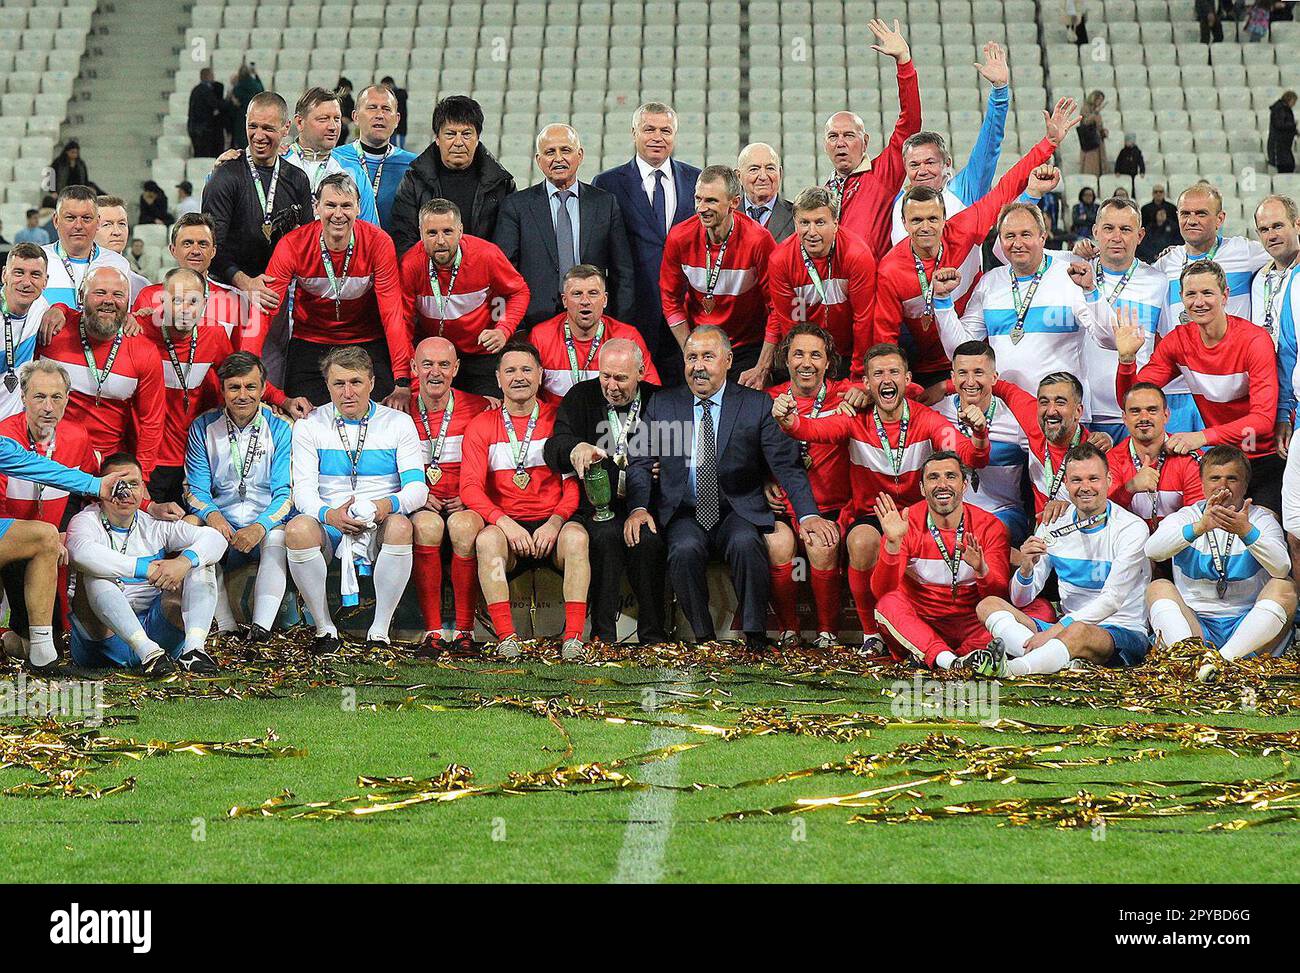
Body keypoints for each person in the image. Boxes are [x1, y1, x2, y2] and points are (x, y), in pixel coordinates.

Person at [627, 326, 836, 653]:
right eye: (691, 357)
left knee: (745, 542)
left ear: (728, 361)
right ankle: (704, 638)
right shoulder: (662, 406)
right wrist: (639, 508)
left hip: (736, 508)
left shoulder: (756, 405)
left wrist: (809, 514)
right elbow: (640, 462)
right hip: (684, 512)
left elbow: (786, 464)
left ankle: (754, 637)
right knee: (682, 549)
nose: (698, 366)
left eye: (708, 357)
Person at [773, 342, 989, 654]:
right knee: (860, 541)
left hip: (919, 516)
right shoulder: (853, 418)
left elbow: (971, 456)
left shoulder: (927, 420)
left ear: (907, 378)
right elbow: (809, 429)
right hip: (872, 514)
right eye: (878, 374)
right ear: (868, 384)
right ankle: (871, 635)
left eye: (893, 372)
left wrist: (979, 435)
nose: (886, 380)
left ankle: (933, 632)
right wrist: (786, 418)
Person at [873, 109, 1071, 395]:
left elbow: (1005, 188)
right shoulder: (890, 268)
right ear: (904, 223)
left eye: (933, 219)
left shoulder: (962, 229)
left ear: (945, 219)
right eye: (916, 220)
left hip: (970, 351)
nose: (925, 227)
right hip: (917, 362)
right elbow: (885, 337)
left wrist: (1048, 144)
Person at [285, 346, 427, 654]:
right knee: (296, 530)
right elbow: (303, 492)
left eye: (356, 382)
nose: (348, 392)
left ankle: (379, 632)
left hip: (380, 517)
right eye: (339, 384)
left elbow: (418, 489)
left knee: (401, 526)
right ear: (327, 386)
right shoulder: (309, 425)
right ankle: (325, 630)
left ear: (372, 383)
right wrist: (329, 514)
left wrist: (383, 507)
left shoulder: (398, 423)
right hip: (331, 521)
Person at [970, 443, 1151, 678]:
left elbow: (1112, 600)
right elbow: (1020, 599)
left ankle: (1015, 668)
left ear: (1108, 479)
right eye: (1076, 480)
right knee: (988, 605)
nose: (1085, 487)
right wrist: (1026, 567)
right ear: (1066, 484)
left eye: (1093, 479)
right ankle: (1054, 659)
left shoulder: (1131, 528)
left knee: (1077, 631)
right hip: (1063, 628)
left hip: (1121, 631)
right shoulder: (1053, 522)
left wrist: (1057, 630)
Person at [1117, 261, 1281, 517]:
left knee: (1274, 539)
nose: (1199, 302)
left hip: (1265, 457)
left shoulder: (1254, 340)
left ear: (1225, 295)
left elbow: (1262, 421)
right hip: (1222, 461)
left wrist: (1202, 437)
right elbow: (1133, 399)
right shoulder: (1179, 340)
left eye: (1207, 293)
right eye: (1191, 294)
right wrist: (1126, 362)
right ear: (1181, 298)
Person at [459, 341, 591, 659]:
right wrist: (504, 523)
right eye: (511, 370)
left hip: (553, 524)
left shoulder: (559, 421)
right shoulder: (481, 425)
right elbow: (470, 488)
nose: (519, 377)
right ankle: (507, 638)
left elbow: (572, 484)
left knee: (577, 537)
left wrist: (556, 522)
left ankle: (573, 639)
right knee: (487, 540)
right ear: (498, 378)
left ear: (541, 374)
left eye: (527, 369)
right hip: (507, 527)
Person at [244, 173, 409, 411]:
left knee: (379, 413)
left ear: (358, 208)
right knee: (305, 416)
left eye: (346, 206)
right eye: (330, 205)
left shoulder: (379, 242)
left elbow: (392, 313)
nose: (338, 214)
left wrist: (402, 380)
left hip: (367, 341)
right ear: (316, 207)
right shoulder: (292, 245)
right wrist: (247, 366)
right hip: (311, 342)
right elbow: (264, 311)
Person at [933, 202, 1116, 409]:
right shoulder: (990, 283)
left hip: (1062, 416)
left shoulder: (1071, 277)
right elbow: (960, 351)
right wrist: (942, 301)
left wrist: (1091, 290)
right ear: (1000, 241)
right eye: (1009, 236)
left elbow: (1109, 339)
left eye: (1026, 235)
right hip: (1006, 415)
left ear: (1043, 237)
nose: (1017, 243)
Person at [544, 338, 666, 645]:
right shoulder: (580, 397)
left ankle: (653, 636)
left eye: (621, 378)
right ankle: (603, 636)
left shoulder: (660, 400)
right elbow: (553, 446)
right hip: (599, 506)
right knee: (605, 536)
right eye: (605, 376)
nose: (611, 385)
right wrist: (575, 448)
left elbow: (685, 452)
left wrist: (668, 466)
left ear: (641, 371)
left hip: (647, 504)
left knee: (646, 539)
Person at [67, 452, 226, 674]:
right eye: (116, 484)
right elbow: (80, 553)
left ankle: (194, 650)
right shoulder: (85, 520)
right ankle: (147, 652)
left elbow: (215, 539)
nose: (125, 492)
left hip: (158, 631)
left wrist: (183, 562)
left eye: (133, 484)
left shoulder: (155, 524)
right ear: (100, 489)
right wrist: (147, 569)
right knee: (94, 573)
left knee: (200, 560)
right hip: (101, 641)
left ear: (143, 489)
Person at [1149, 445, 1294, 682]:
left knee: (1285, 587)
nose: (1222, 485)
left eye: (1232, 478)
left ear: (1245, 485)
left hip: (1248, 630)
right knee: (1158, 587)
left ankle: (1221, 662)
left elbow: (1281, 568)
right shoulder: (1186, 517)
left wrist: (1245, 532)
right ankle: (1192, 661)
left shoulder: (1261, 519)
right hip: (1196, 625)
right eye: (1215, 478)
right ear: (1202, 483)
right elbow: (1153, 550)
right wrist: (1200, 528)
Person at [185, 351, 292, 642]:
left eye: (250, 387)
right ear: (222, 390)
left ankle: (261, 630)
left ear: (262, 389)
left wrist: (261, 525)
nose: (242, 395)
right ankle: (226, 624)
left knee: (277, 537)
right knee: (193, 528)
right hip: (222, 517)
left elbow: (286, 492)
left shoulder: (282, 428)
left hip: (265, 517)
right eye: (234, 387)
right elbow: (195, 489)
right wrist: (214, 517)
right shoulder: (202, 427)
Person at [592, 102, 702, 383]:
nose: (657, 137)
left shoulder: (697, 180)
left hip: (688, 309)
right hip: (632, 310)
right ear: (634, 133)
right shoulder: (607, 183)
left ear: (675, 135)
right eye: (649, 129)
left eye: (665, 130)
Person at [872, 451, 1011, 670]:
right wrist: (892, 544)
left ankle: (955, 658)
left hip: (975, 624)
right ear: (921, 488)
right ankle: (951, 661)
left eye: (951, 476)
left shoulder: (990, 526)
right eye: (933, 477)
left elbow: (999, 596)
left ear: (964, 485)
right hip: (922, 625)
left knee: (1038, 611)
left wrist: (981, 570)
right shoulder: (903, 524)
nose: (942, 484)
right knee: (887, 605)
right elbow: (882, 591)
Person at [0, 360, 103, 646]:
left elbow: (82, 493)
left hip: (48, 544)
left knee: (47, 641)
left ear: (68, 399)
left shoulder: (77, 435)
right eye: (39, 397)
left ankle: (37, 647)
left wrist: (64, 531)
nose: (48, 407)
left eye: (56, 397)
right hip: (12, 538)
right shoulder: (6, 435)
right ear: (22, 398)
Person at [764, 324, 854, 648]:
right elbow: (752, 451)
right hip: (785, 505)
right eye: (798, 354)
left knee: (822, 545)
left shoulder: (845, 394)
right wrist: (763, 481)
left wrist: (865, 394)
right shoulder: (769, 400)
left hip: (831, 504)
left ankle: (827, 632)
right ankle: (789, 629)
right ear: (785, 360)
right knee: (776, 544)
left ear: (828, 362)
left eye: (816, 355)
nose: (806, 362)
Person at [495, 123, 635, 328]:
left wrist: (619, 325)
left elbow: (622, 272)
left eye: (565, 150)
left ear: (580, 155)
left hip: (595, 321)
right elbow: (505, 273)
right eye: (550, 152)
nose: (558, 158)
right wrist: (517, 324)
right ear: (538, 160)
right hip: (534, 322)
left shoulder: (605, 203)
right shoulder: (516, 206)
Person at [405, 336, 489, 657]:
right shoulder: (398, 410)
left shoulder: (481, 406)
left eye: (443, 364)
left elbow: (492, 458)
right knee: (427, 526)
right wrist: (415, 495)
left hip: (464, 502)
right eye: (427, 364)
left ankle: (465, 632)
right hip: (422, 505)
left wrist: (470, 496)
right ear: (414, 368)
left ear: (456, 368)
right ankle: (434, 632)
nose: (435, 372)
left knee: (464, 527)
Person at [40, 266, 165, 480]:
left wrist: (141, 476)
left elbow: (151, 422)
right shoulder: (52, 331)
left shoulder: (143, 351)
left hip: (108, 469)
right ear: (81, 296)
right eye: (100, 292)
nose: (109, 300)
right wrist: (60, 307)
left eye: (118, 294)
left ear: (128, 303)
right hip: (51, 461)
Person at [887, 41, 1013, 249]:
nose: (922, 170)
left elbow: (989, 146)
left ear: (947, 163)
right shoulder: (898, 202)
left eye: (930, 162)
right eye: (914, 165)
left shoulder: (965, 189)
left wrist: (999, 92)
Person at [400, 198, 529, 396]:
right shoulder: (410, 265)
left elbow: (517, 292)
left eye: (448, 232)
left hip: (480, 356)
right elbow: (403, 324)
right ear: (420, 233)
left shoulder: (486, 255)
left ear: (460, 231)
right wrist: (407, 377)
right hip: (435, 358)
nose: (440, 241)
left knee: (488, 412)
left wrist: (502, 329)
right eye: (432, 233)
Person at [661, 165, 775, 384]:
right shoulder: (679, 237)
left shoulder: (759, 241)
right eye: (698, 199)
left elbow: (776, 308)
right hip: (698, 343)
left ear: (734, 203)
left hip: (746, 349)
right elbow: (670, 300)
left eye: (711, 201)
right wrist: (690, 350)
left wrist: (762, 367)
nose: (701, 208)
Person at [1072, 196, 1173, 439]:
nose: (1116, 237)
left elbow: (1169, 346)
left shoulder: (1158, 282)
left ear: (1140, 235)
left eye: (1126, 229)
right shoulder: (1074, 272)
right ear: (1095, 232)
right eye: (1109, 228)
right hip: (1080, 412)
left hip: (1132, 414)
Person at [202, 91, 313, 311]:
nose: (258, 135)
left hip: (277, 294)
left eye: (268, 128)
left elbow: (307, 243)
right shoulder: (225, 176)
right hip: (228, 294)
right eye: (253, 126)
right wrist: (246, 283)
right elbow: (212, 246)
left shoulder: (297, 179)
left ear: (285, 127)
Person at [823, 18, 920, 259]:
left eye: (849, 135)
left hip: (873, 288)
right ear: (825, 145)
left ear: (865, 141)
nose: (841, 142)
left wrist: (904, 63)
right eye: (833, 136)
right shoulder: (823, 192)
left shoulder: (883, 173)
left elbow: (910, 124)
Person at [138, 268, 234, 504]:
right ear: (162, 300)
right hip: (148, 461)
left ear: (204, 302)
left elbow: (238, 377)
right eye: (177, 300)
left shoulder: (214, 334)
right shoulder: (139, 328)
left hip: (196, 459)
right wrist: (59, 310)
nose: (184, 308)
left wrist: (280, 400)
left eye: (193, 301)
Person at [759, 187, 875, 382]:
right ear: (795, 224)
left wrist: (858, 375)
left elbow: (863, 321)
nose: (811, 232)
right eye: (804, 223)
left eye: (820, 222)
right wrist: (806, 364)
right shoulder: (780, 260)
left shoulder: (857, 255)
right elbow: (791, 325)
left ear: (836, 224)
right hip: (808, 355)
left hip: (849, 353)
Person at [933, 341, 1033, 546]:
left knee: (984, 538)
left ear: (994, 377)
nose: (970, 381)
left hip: (1003, 513)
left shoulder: (1015, 420)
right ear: (952, 377)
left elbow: (1048, 458)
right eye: (962, 373)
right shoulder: (937, 411)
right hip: (948, 514)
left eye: (978, 372)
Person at [390, 95, 516, 255]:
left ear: (477, 137)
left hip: (484, 276)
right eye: (450, 134)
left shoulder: (502, 184)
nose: (458, 142)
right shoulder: (414, 181)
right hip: (427, 277)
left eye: (466, 134)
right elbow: (404, 240)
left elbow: (507, 246)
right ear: (437, 138)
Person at [531, 265, 658, 397]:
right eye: (577, 294)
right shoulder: (541, 337)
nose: (585, 301)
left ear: (605, 300)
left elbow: (650, 393)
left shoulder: (627, 338)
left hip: (612, 417)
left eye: (593, 293)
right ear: (564, 301)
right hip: (556, 417)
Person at [1106, 383, 1205, 526]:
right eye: (1135, 411)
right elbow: (1104, 519)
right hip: (1128, 545)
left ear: (1166, 415)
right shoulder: (1111, 460)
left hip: (1180, 544)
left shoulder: (1189, 458)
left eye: (1152, 410)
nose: (1144, 417)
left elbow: (1197, 519)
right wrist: (1129, 488)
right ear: (1125, 418)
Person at [278, 87, 380, 225]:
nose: (333, 127)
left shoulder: (354, 173)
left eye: (337, 119)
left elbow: (370, 236)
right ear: (300, 122)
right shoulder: (278, 163)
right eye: (323, 119)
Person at [331, 83, 417, 233]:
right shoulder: (334, 159)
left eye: (386, 109)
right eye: (372, 108)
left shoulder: (414, 165)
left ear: (397, 120)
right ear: (355, 117)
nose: (379, 115)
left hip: (396, 253)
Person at [1252, 195, 1300, 456]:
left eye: (1278, 226)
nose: (1271, 235)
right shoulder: (1259, 278)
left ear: (1297, 225)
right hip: (1268, 393)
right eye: (1264, 229)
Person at [40, 186, 135, 311]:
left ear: (97, 222)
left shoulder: (118, 264)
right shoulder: (39, 260)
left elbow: (121, 319)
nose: (78, 225)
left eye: (86, 218)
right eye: (70, 218)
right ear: (56, 221)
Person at [0, 244, 51, 419]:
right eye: (19, 272)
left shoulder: (40, 307)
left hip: (15, 429)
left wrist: (60, 309)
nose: (26, 282)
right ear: (4, 274)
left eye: (35, 275)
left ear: (46, 281)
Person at [736, 142, 794, 243]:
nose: (763, 176)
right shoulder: (725, 217)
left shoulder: (797, 216)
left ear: (780, 173)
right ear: (739, 176)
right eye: (754, 169)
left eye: (770, 168)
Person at [92, 195, 149, 297]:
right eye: (107, 224)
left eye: (122, 224)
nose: (117, 232)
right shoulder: (73, 281)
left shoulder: (142, 287)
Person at [187, 69, 227, 157]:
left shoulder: (196, 89)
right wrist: (228, 101)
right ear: (207, 76)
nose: (213, 77)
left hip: (195, 127)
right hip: (201, 129)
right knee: (203, 154)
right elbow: (215, 103)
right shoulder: (205, 90)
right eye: (212, 75)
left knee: (199, 154)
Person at [1077, 90, 1108, 176]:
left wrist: (1103, 131)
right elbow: (1085, 122)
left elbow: (1099, 126)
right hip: (1090, 143)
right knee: (1090, 168)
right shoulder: (1085, 108)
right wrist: (1095, 113)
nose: (1100, 103)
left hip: (1098, 142)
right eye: (1099, 100)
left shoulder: (1097, 111)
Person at [1268, 91, 1297, 174]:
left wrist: (1294, 131)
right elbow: (1279, 125)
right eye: (1293, 102)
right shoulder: (1280, 109)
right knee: (1286, 166)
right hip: (1279, 145)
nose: (1294, 104)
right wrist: (1293, 126)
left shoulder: (1282, 109)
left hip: (1284, 145)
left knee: (1289, 165)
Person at [380, 76, 409, 149]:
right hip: (390, 124)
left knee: (399, 148)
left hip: (400, 125)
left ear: (390, 84)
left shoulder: (401, 93)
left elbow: (399, 109)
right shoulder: (386, 96)